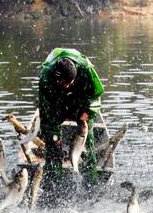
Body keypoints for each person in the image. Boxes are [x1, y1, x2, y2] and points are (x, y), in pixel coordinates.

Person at [37, 47, 104, 203]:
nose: (67, 85)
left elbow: (96, 94)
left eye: (70, 83)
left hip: (80, 100)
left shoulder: (86, 69)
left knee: (88, 145)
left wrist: (87, 114)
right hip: (56, 102)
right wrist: (55, 137)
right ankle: (53, 187)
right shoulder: (46, 78)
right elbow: (47, 114)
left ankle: (91, 185)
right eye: (64, 83)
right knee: (53, 149)